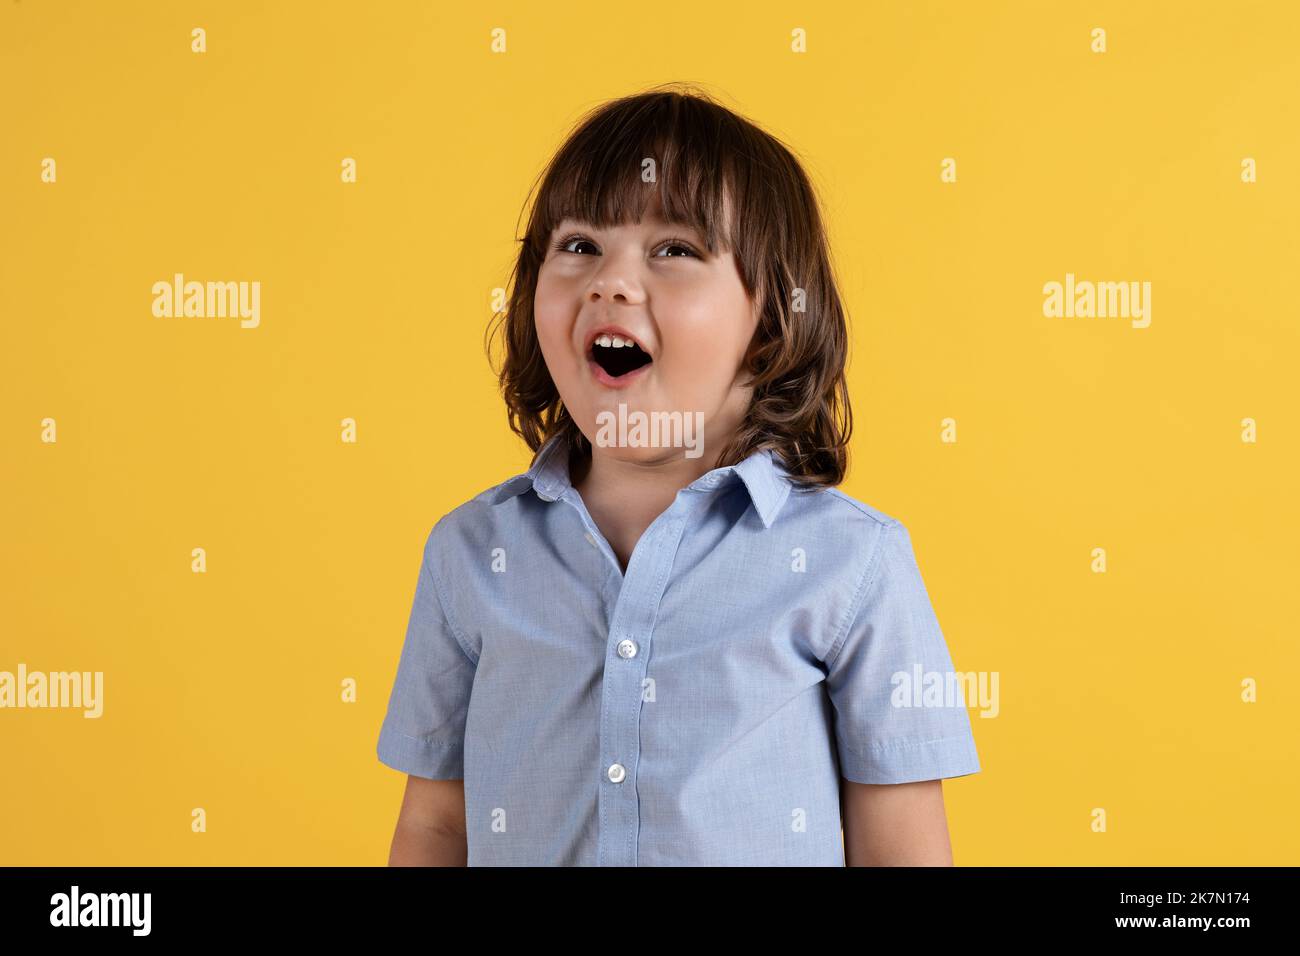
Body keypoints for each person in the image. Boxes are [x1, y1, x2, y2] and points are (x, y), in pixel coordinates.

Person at [377, 84, 980, 866]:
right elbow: (436, 826)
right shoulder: (470, 553)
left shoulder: (853, 564)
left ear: (770, 326)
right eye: (579, 245)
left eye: (675, 250)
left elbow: (902, 849)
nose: (611, 282)